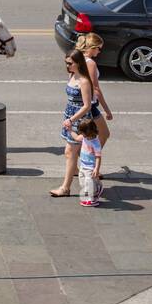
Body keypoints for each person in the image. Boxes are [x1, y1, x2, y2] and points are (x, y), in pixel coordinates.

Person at [50, 50, 95, 197]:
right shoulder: (72, 75)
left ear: (78, 63)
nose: (67, 66)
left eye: (70, 63)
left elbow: (87, 106)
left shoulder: (84, 81)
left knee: (70, 152)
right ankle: (84, 173)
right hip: (70, 116)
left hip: (79, 120)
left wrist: (71, 120)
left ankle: (65, 188)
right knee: (78, 151)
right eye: (66, 63)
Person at [75, 31, 113, 157]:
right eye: (99, 48)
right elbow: (95, 88)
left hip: (79, 102)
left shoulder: (77, 59)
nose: (99, 51)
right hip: (90, 105)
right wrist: (107, 110)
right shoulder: (90, 63)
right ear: (92, 47)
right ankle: (90, 160)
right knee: (104, 133)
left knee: (82, 136)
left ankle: (77, 165)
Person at [75, 118, 103, 207]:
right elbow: (76, 138)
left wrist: (96, 169)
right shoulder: (84, 137)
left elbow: (98, 157)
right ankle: (97, 186)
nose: (81, 135)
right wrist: (69, 130)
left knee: (89, 183)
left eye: (82, 133)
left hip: (90, 167)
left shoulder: (95, 143)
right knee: (82, 182)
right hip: (83, 165)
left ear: (88, 132)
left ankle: (93, 199)